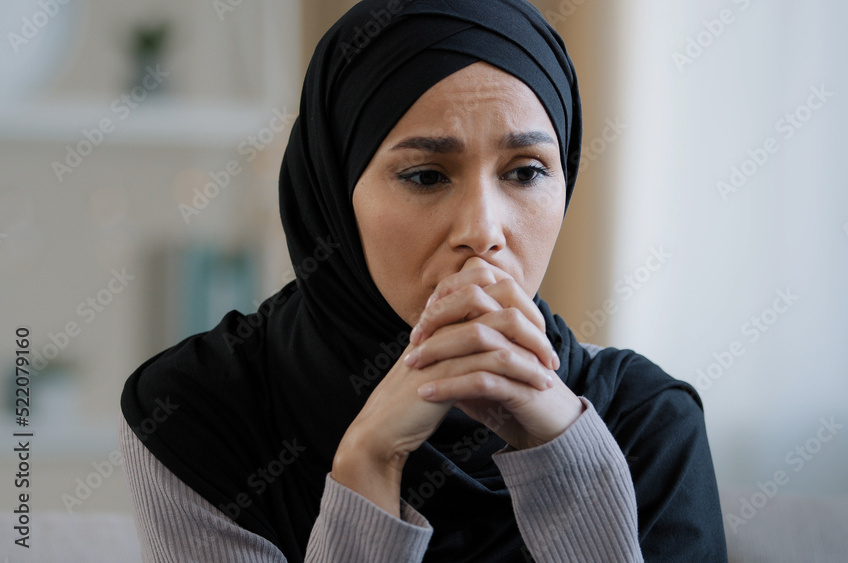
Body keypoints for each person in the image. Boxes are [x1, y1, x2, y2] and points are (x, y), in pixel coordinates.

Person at [119, 0, 728, 561]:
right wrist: (367, 466)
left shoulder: (648, 422)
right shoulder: (192, 412)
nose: (483, 230)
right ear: (333, 193)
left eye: (525, 171)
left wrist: (570, 456)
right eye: (426, 176)